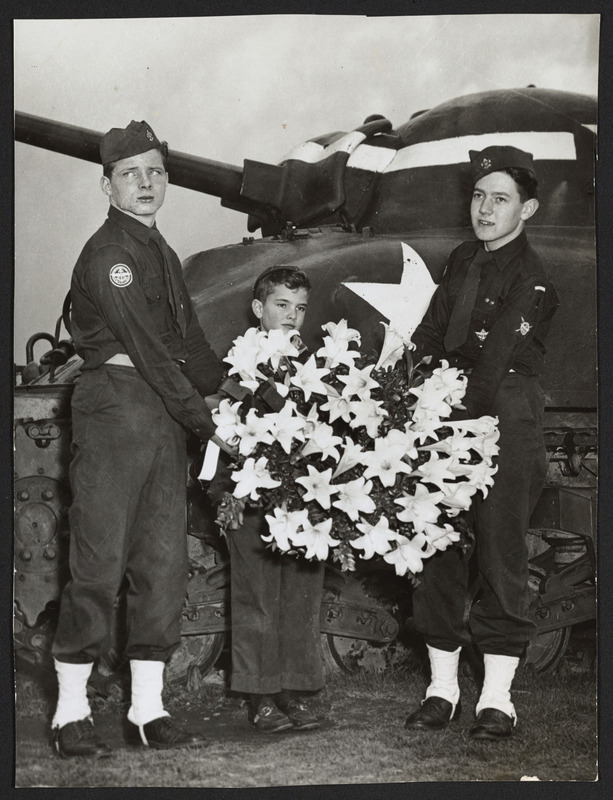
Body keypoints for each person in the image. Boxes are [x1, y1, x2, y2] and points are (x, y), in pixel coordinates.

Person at [50, 119, 225, 757]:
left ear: (167, 180)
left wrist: (246, 396)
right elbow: (152, 355)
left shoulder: (161, 251)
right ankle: (70, 713)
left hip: (162, 417)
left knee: (162, 566)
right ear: (107, 185)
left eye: (155, 172)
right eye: (130, 174)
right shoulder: (112, 257)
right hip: (118, 412)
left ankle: (148, 711)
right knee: (97, 565)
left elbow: (191, 347)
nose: (145, 183)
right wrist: (209, 423)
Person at [406, 146, 559, 740]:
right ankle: (441, 690)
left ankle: (496, 698)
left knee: (500, 551)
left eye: (500, 199)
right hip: (448, 404)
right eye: (478, 196)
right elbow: (430, 330)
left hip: (503, 413)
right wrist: (400, 389)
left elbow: (493, 365)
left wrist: (446, 416)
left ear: (528, 209)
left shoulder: (532, 276)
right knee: (436, 544)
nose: (485, 209)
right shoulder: (463, 259)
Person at [210, 266, 325, 734]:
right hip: (250, 492)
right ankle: (259, 696)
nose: (292, 316)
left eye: (300, 308)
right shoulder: (241, 361)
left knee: (299, 592)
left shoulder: (313, 364)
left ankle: (291, 690)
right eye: (281, 305)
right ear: (259, 308)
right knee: (256, 593)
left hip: (301, 492)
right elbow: (224, 428)